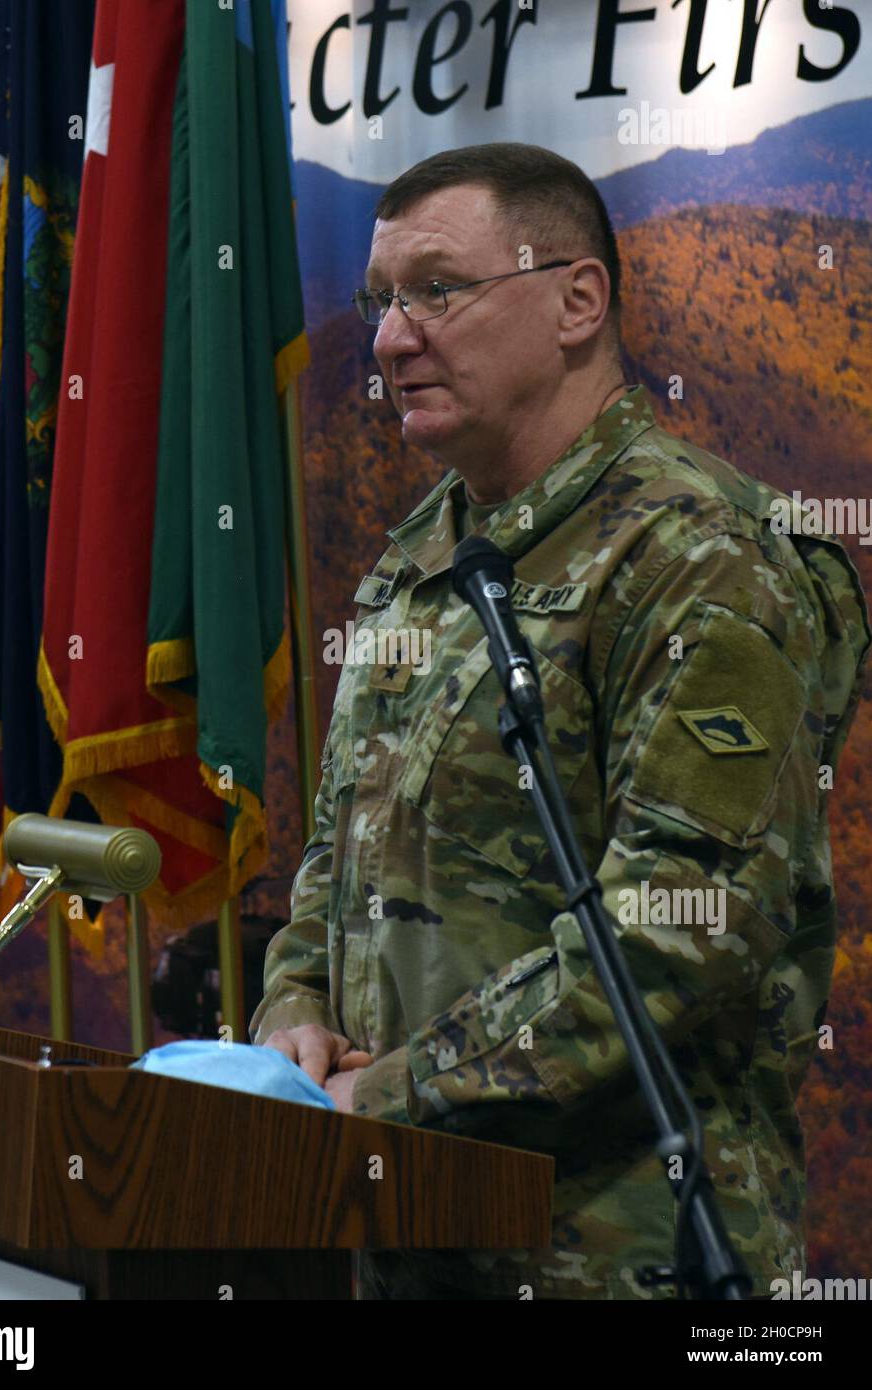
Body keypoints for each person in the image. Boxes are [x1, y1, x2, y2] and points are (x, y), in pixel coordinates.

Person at [249, 143, 871, 1300]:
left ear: (576, 300)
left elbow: (675, 941)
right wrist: (292, 1011)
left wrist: (383, 1096)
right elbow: (331, 870)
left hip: (618, 1254)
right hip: (407, 1241)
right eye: (379, 300)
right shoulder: (418, 560)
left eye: (437, 290)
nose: (389, 339)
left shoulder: (699, 558)